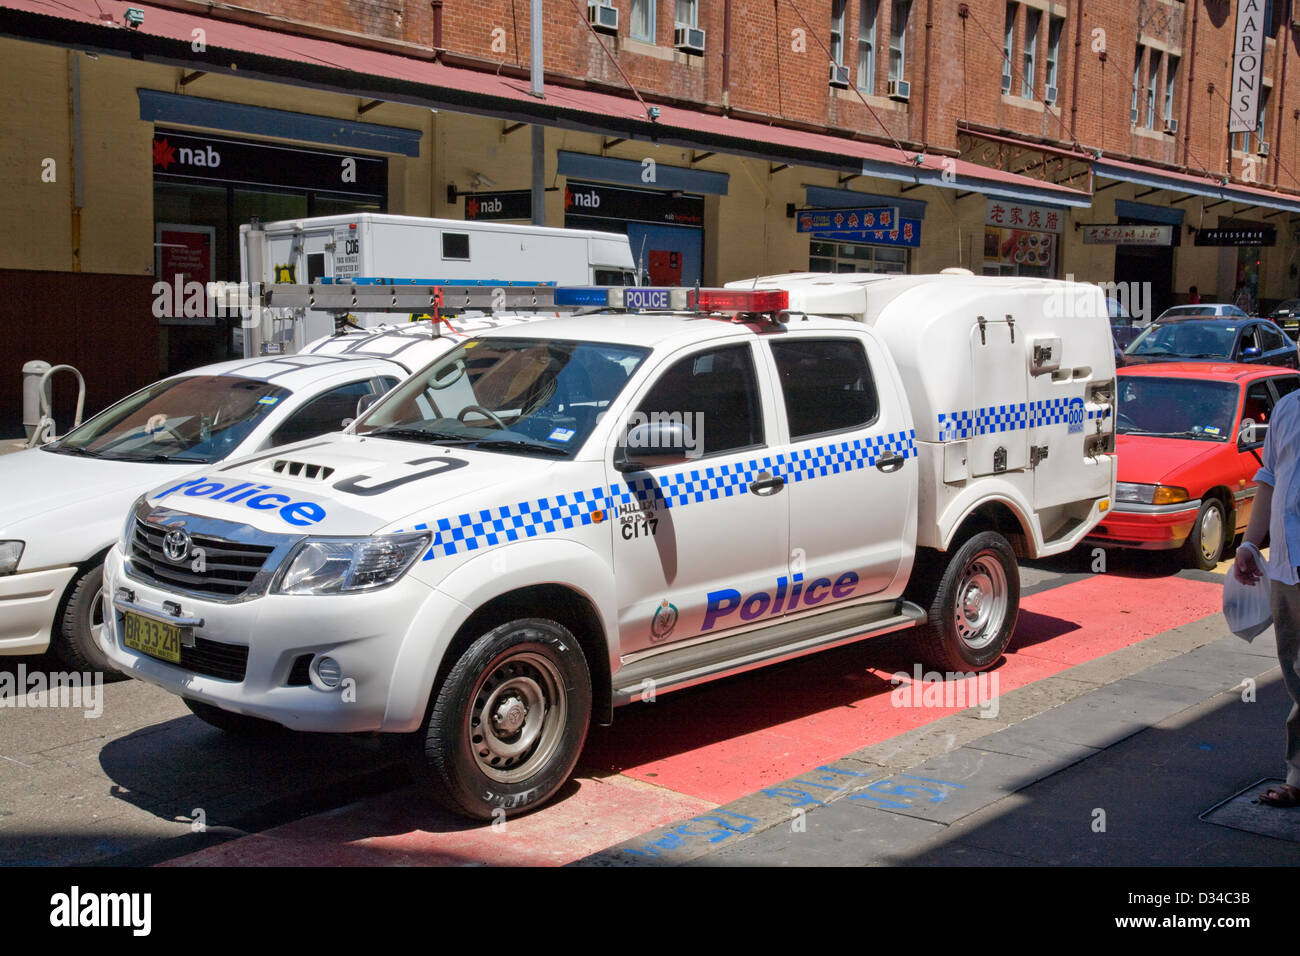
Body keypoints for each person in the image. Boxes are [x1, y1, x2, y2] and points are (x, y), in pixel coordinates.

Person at [1233, 386, 1300, 806]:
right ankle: (1298, 776)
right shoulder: (1288, 408)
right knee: (1296, 674)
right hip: (1287, 569)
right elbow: (1270, 481)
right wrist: (1251, 544)